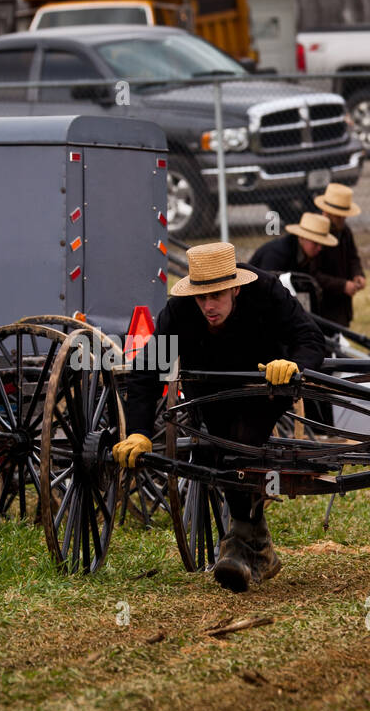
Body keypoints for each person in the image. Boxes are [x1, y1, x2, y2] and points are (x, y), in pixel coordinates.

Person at [113, 242, 324, 593]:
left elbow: (310, 338)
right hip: (208, 389)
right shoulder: (179, 311)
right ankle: (260, 549)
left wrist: (295, 366)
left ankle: (238, 547)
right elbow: (146, 371)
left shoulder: (267, 291)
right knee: (217, 451)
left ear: (236, 287)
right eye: (201, 298)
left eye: (218, 296)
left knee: (238, 444)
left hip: (266, 385)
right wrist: (137, 431)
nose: (208, 306)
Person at [249, 183, 367, 327]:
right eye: (316, 244)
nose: (320, 249)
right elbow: (265, 293)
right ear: (302, 237)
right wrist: (342, 285)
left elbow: (352, 257)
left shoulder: (313, 248)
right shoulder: (277, 255)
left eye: (322, 244)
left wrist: (357, 273)